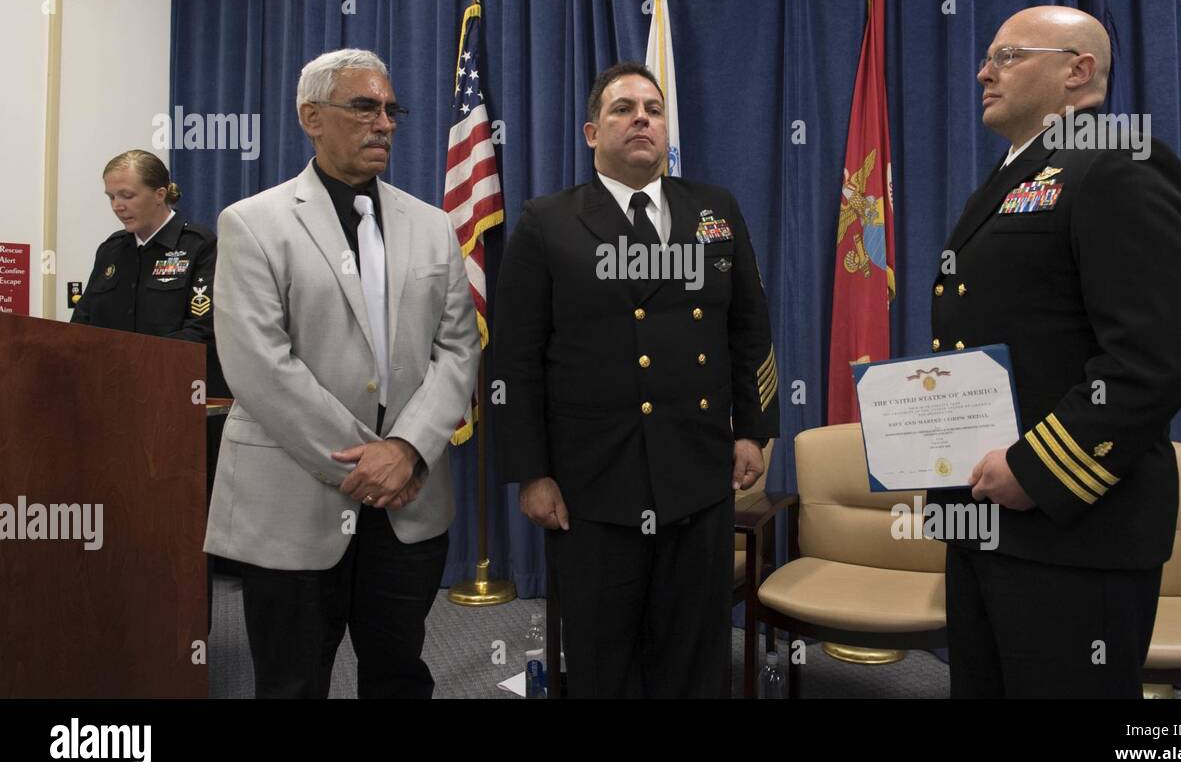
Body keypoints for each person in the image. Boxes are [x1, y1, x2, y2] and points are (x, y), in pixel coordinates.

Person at [929, 6, 1181, 697]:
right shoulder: (1015, 175)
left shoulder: (1118, 161)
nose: (983, 72)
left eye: (1008, 56)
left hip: (1074, 527)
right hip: (988, 519)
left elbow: (1154, 358)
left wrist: (1037, 468)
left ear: (1077, 71)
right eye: (989, 57)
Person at [492, 61, 780, 698]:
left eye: (652, 107)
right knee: (603, 654)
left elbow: (749, 331)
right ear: (593, 132)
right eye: (623, 109)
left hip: (696, 473)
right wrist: (532, 473)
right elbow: (513, 360)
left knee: (696, 651)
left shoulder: (714, 209)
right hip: (594, 482)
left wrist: (754, 431)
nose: (641, 118)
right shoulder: (549, 221)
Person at [204, 48, 479, 698]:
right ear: (311, 116)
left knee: (398, 675)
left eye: (390, 109)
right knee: (292, 681)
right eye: (364, 107)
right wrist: (368, 464)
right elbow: (260, 368)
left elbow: (459, 350)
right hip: (294, 501)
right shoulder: (253, 224)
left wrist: (407, 450)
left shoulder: (435, 226)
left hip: (409, 502)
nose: (383, 122)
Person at [71, 149, 228, 396]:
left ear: (159, 194)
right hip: (114, 391)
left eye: (127, 196)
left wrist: (137, 358)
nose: (117, 206)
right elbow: (83, 322)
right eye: (110, 197)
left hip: (178, 392)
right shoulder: (111, 250)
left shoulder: (200, 245)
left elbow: (204, 328)